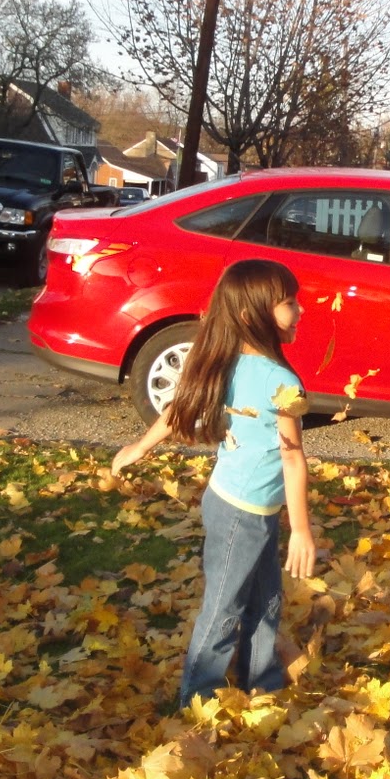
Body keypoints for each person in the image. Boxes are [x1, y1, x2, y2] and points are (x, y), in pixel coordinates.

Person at [111, 260, 315, 708]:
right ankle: (197, 699)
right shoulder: (279, 381)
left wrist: (142, 447)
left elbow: (179, 406)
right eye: (288, 304)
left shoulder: (236, 362)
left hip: (250, 508)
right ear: (251, 315)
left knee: (265, 597)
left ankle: (261, 679)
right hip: (239, 512)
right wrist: (301, 529)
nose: (299, 311)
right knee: (224, 607)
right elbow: (292, 457)